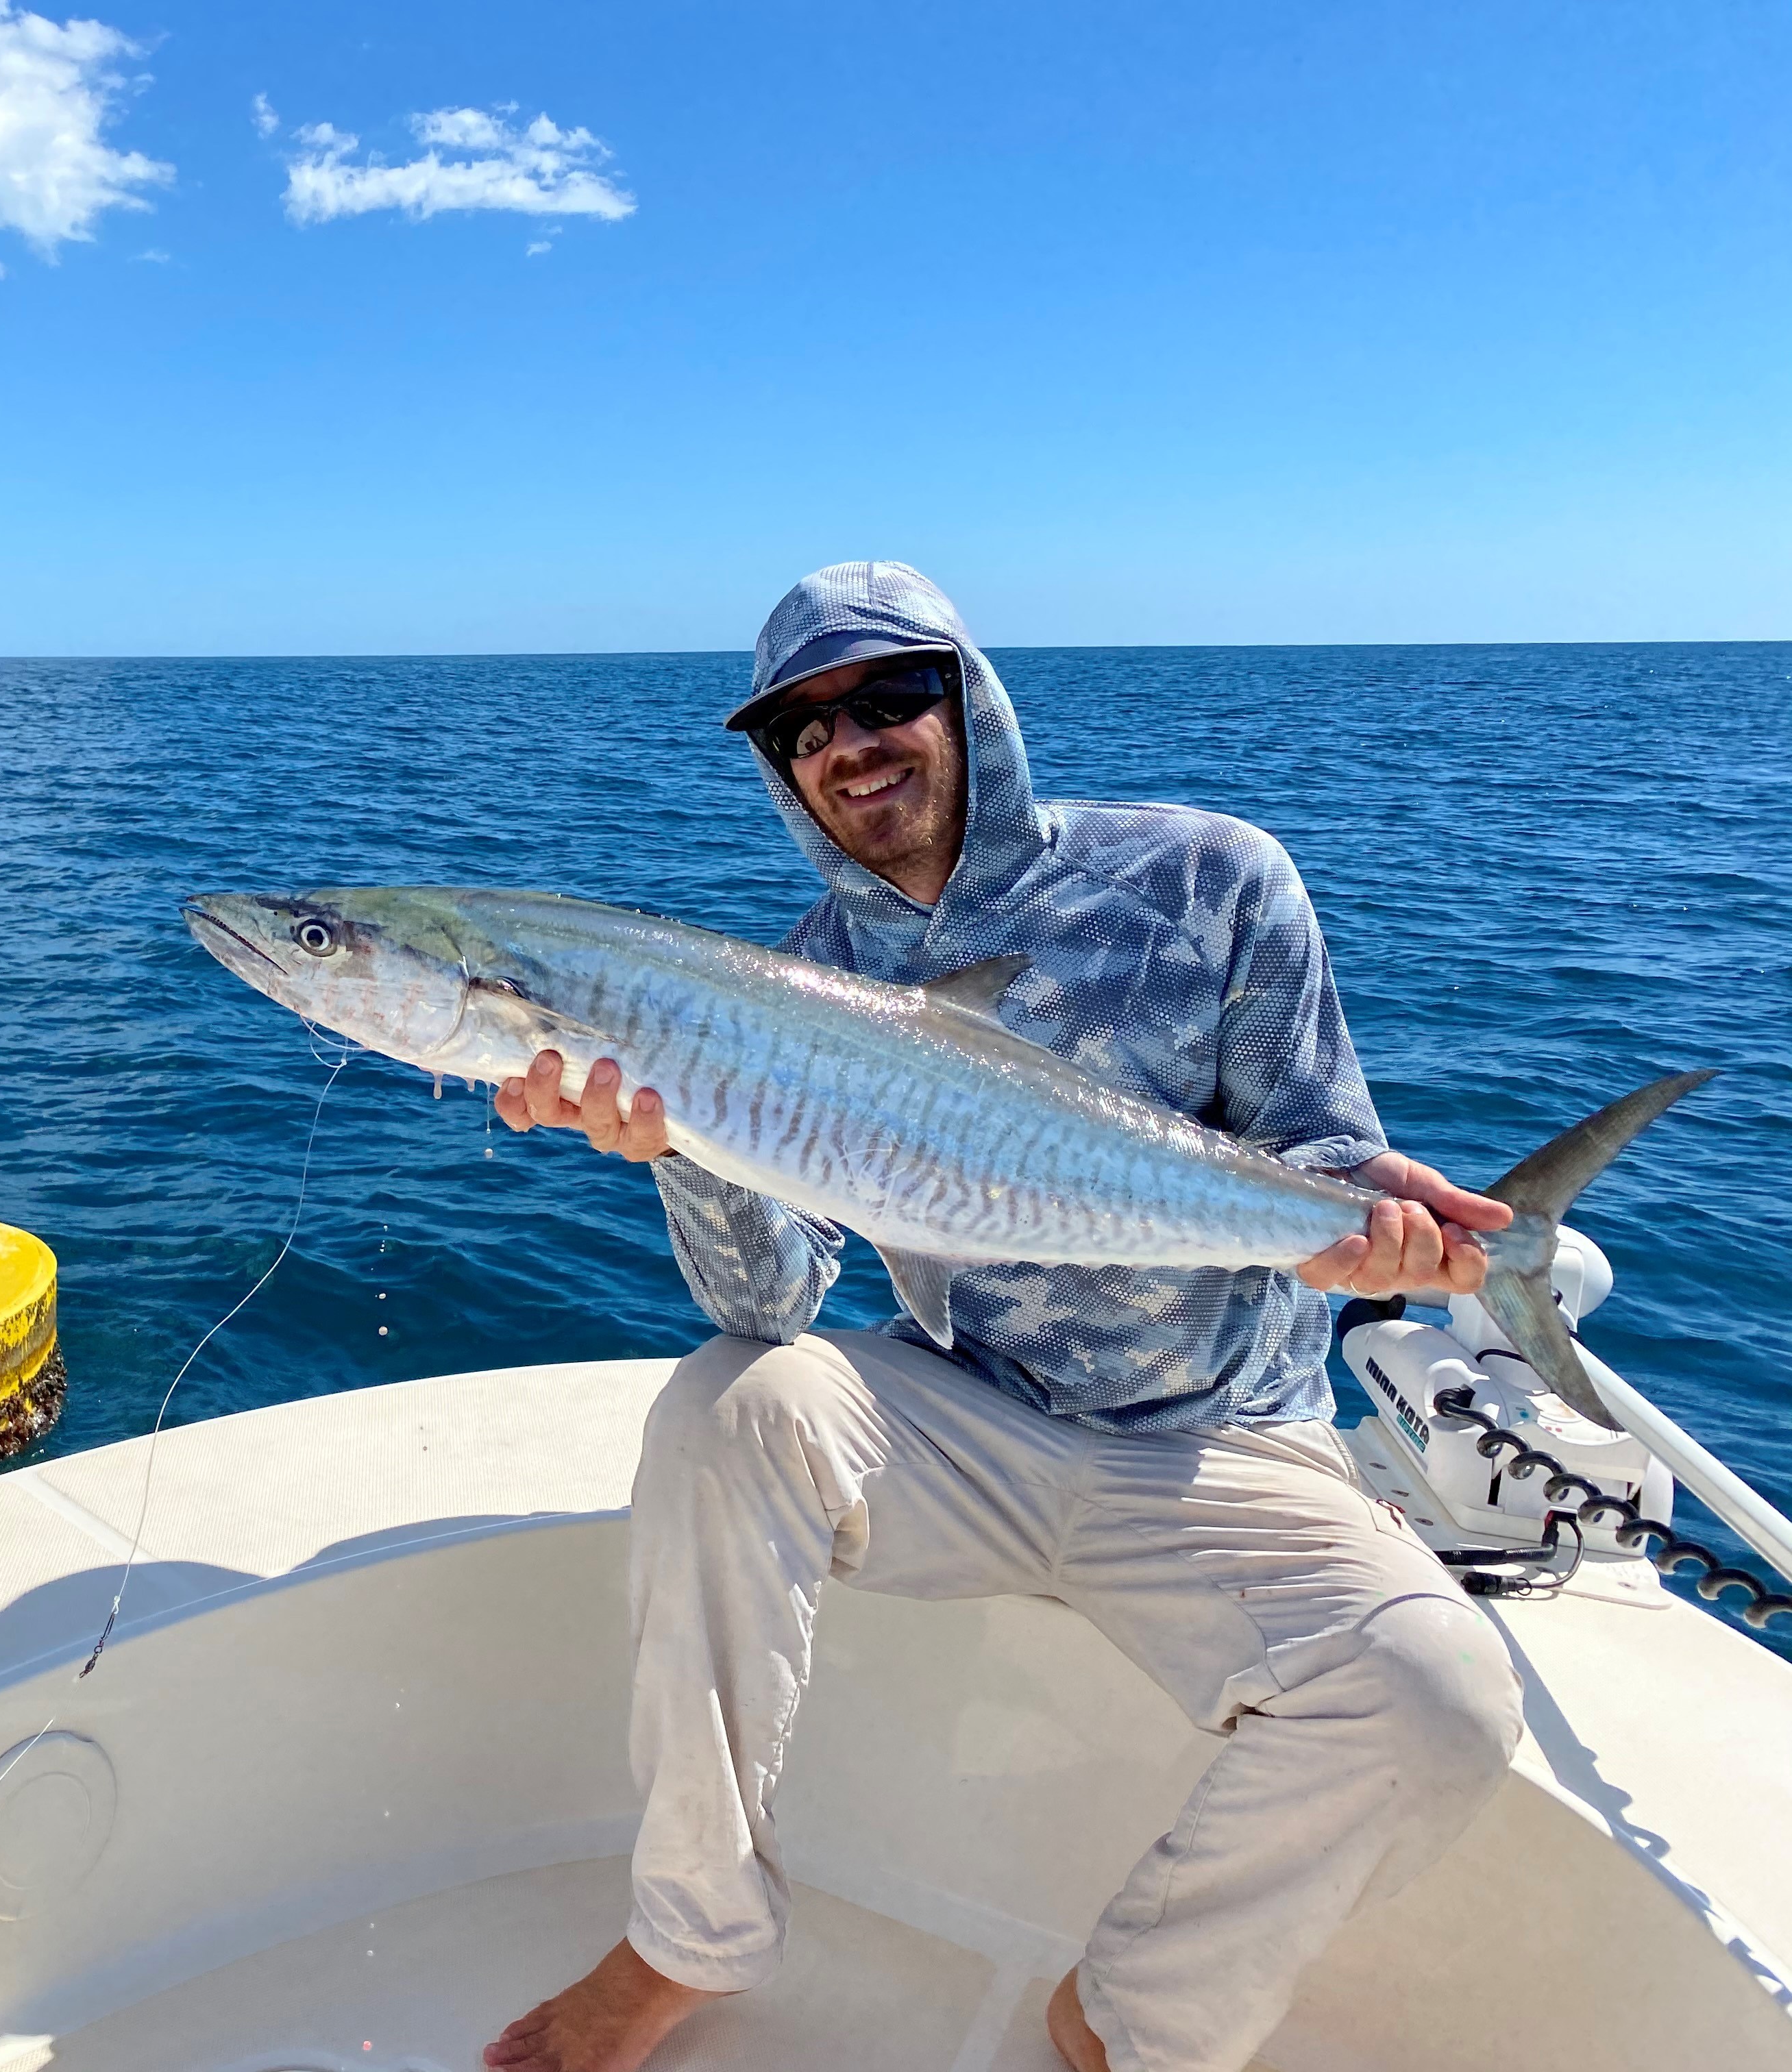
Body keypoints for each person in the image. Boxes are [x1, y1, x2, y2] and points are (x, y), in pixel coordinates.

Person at [480, 563, 1525, 2072]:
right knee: (730, 1406)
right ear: (782, 770)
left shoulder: (1208, 878)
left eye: (886, 695)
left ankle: (1124, 2020)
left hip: (1225, 1447)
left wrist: (1365, 1226)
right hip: (969, 1420)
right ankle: (691, 1937)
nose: (849, 743)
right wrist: (679, 1156)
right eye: (801, 726)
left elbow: (1312, 1152)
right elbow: (769, 1305)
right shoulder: (792, 983)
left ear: (968, 699)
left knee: (1434, 1695)